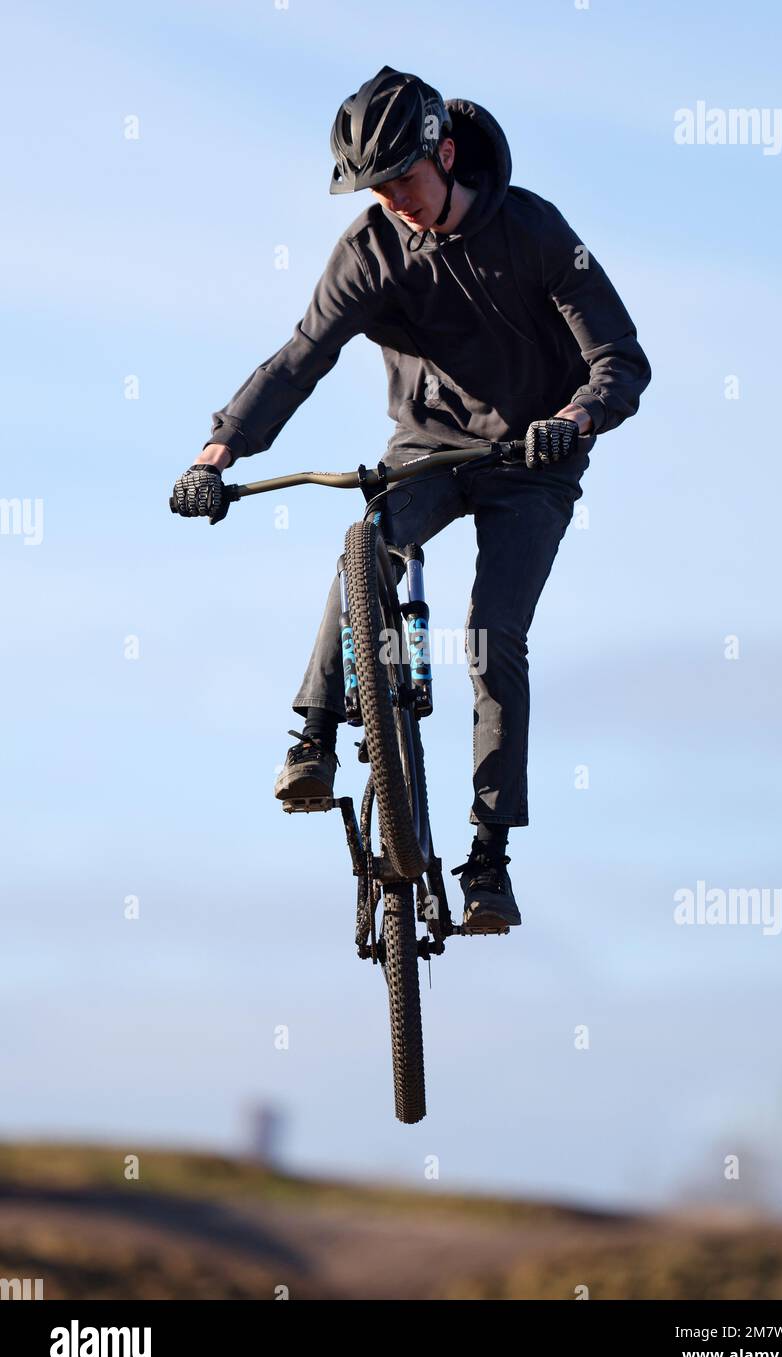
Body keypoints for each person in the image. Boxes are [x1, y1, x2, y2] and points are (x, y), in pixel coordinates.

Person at [172, 65, 651, 932]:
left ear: (446, 154)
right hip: (428, 448)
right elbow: (297, 361)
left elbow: (620, 360)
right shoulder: (368, 251)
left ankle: (488, 858)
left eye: (403, 178)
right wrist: (215, 455)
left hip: (533, 456)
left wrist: (575, 420)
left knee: (492, 636)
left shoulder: (535, 230)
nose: (393, 199)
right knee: (369, 544)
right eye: (375, 186)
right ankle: (314, 740)